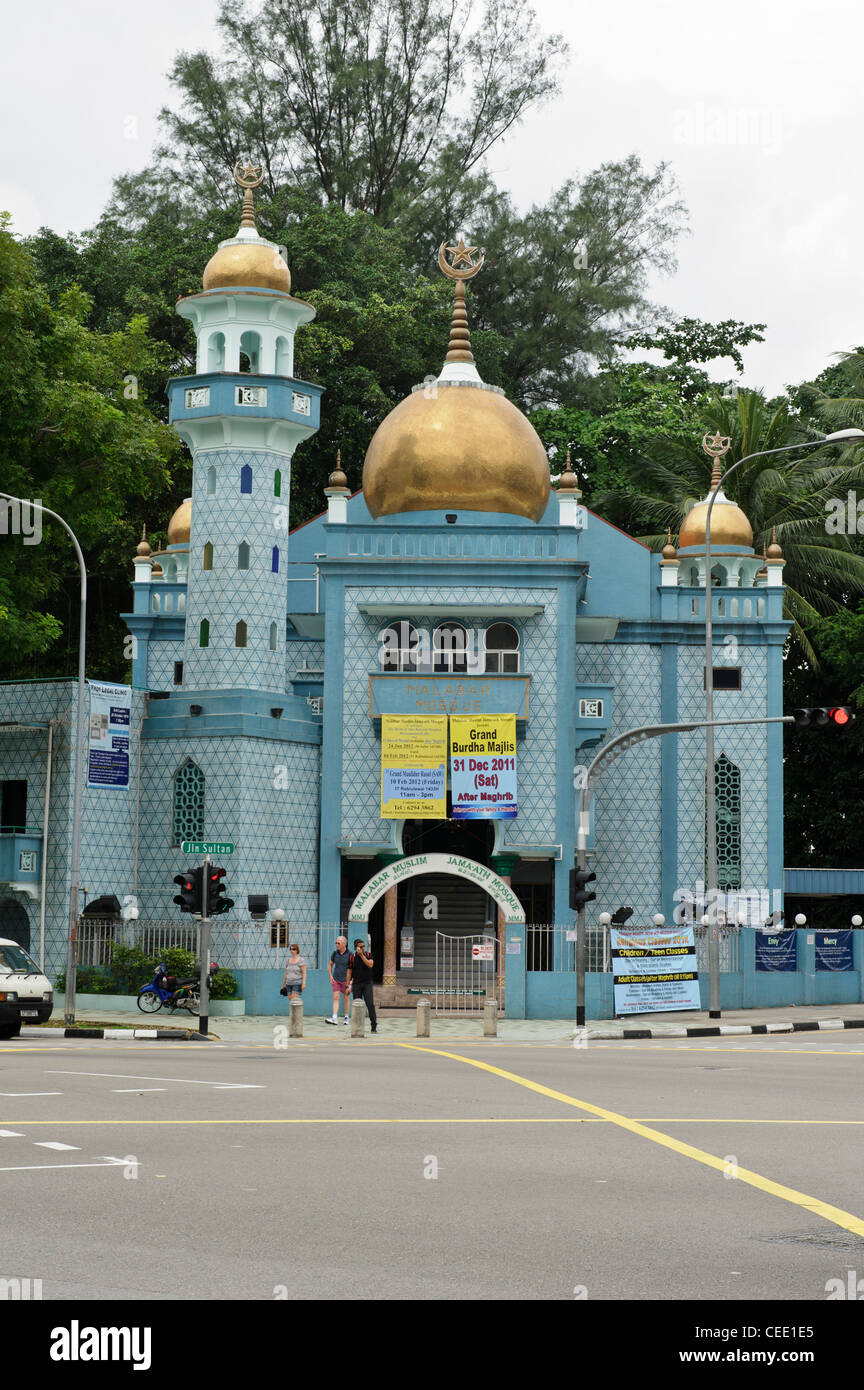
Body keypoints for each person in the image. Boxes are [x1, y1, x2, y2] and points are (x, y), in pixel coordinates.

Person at [348, 938, 377, 1033]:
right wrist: (348, 986)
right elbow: (349, 972)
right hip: (356, 984)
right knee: (357, 1005)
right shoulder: (352, 957)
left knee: (370, 1004)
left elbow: (370, 965)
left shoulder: (368, 955)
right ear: (356, 947)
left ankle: (374, 1025)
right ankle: (357, 1026)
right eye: (360, 947)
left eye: (363, 946)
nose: (362, 948)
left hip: (367, 984)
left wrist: (361, 956)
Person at [326, 936, 352, 1024]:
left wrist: (352, 981)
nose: (337, 945)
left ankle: (346, 1017)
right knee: (336, 997)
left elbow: (354, 969)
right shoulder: (334, 953)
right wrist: (330, 976)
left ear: (344, 944)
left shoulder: (350, 954)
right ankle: (334, 1017)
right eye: (336, 943)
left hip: (346, 981)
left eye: (338, 943)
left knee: (346, 998)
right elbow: (330, 965)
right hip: (336, 979)